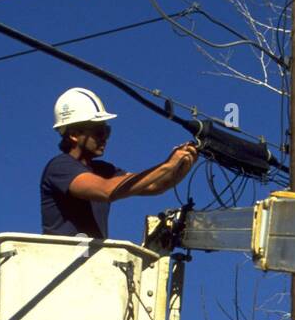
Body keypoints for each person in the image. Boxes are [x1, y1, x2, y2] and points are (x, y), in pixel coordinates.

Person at [40, 87, 199, 239]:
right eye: (99, 132)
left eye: (107, 131)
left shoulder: (104, 170)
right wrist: (168, 165)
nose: (105, 137)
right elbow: (106, 191)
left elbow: (154, 185)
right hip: (62, 262)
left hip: (92, 262)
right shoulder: (60, 167)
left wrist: (184, 163)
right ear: (74, 135)